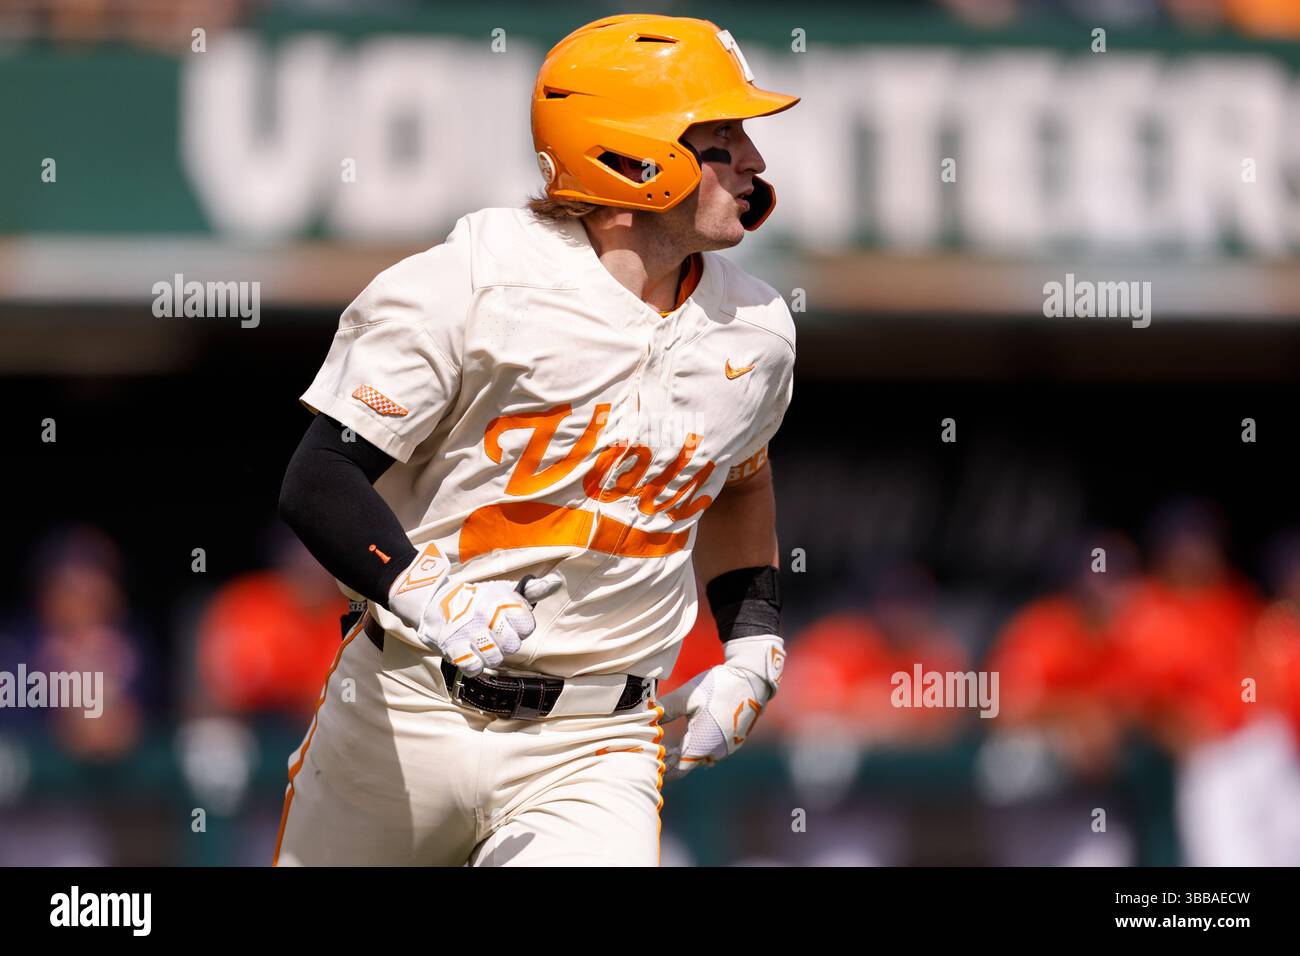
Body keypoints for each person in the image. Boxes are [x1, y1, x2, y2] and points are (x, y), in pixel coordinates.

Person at [274, 14, 799, 866]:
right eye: (721, 138)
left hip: (595, 742)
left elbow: (741, 479)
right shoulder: (471, 282)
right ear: (633, 156)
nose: (756, 161)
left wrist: (753, 644)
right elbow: (319, 477)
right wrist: (429, 593)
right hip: (402, 706)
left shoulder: (757, 330)